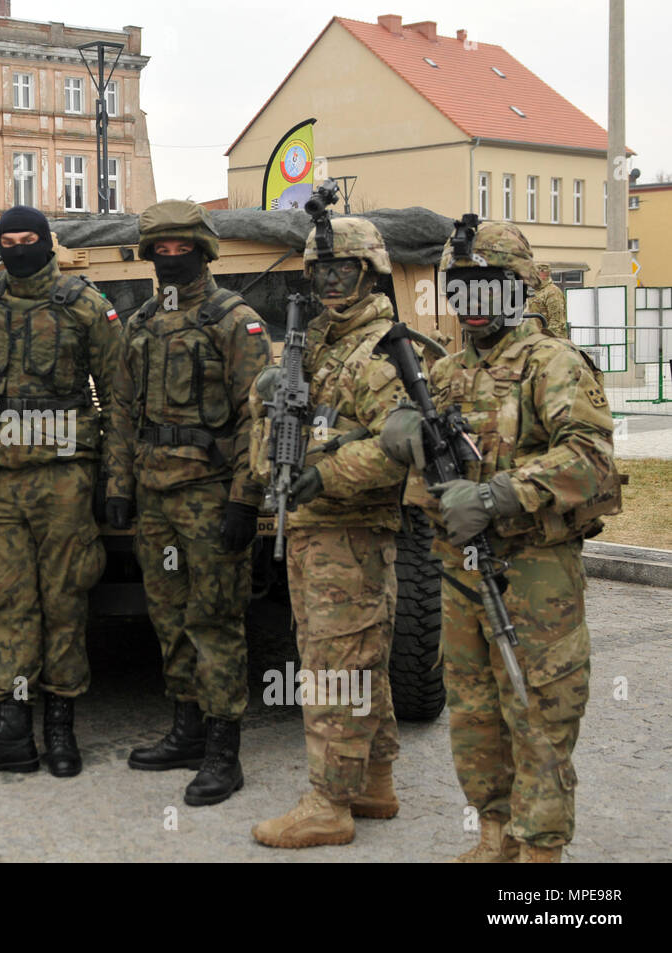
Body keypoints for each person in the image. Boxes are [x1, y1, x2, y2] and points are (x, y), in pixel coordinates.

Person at [380, 219, 620, 862]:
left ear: (518, 290)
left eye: (488, 288)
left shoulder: (555, 363)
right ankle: (494, 834)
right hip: (460, 568)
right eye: (461, 289)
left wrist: (495, 495)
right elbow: (416, 440)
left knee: (539, 704)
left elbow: (591, 462)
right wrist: (399, 429)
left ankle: (541, 851)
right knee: (474, 706)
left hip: (534, 569)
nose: (473, 304)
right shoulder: (451, 369)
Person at [0, 205, 124, 777]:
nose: (19, 249)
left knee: (64, 602)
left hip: (64, 478)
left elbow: (118, 398)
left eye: (29, 239)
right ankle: (12, 729)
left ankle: (61, 729)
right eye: (9, 240)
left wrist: (117, 482)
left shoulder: (86, 305)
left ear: (48, 243)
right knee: (3, 604)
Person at [248, 216, 412, 846]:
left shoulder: (385, 350)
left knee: (332, 665)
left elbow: (399, 446)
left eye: (343, 270)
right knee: (357, 660)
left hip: (351, 531)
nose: (331, 281)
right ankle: (372, 781)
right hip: (316, 531)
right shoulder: (314, 342)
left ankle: (328, 804)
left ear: (369, 273)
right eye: (320, 271)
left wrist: (329, 475)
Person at [105, 199, 270, 807]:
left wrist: (244, 501)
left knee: (215, 620)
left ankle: (225, 751)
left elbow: (259, 415)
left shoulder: (235, 321)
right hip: (154, 497)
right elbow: (122, 411)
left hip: (210, 494)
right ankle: (187, 729)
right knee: (168, 616)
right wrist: (119, 487)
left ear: (203, 251)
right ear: (148, 255)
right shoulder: (142, 322)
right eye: (160, 249)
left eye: (182, 248)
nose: (171, 258)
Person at [526, 263, 568, 338]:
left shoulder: (552, 292)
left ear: (543, 274)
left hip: (550, 341)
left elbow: (556, 322)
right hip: (537, 338)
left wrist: (548, 341)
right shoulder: (536, 291)